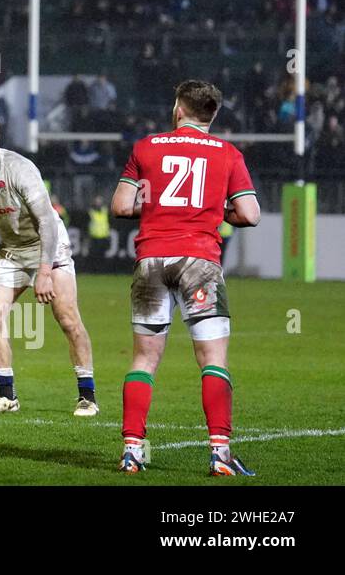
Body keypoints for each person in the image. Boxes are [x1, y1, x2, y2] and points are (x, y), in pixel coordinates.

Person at [111, 80, 261, 476]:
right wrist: (214, 213)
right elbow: (250, 214)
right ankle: (220, 455)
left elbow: (122, 205)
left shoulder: (146, 147)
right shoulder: (228, 154)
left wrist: (160, 211)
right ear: (213, 115)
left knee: (144, 359)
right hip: (199, 261)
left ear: (178, 108)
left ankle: (131, 451)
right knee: (213, 359)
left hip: (151, 260)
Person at [0, 110, 98, 417]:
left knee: (67, 319)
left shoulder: (18, 167)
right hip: (12, 250)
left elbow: (46, 220)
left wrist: (44, 272)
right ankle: (7, 395)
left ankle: (87, 396)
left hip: (49, 246)